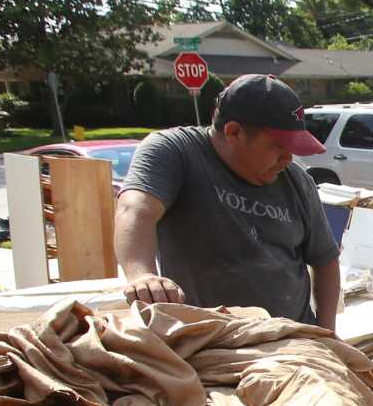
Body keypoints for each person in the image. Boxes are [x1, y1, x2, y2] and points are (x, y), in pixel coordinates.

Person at [115, 74, 340, 329]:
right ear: (234, 131)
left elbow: (325, 260)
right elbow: (136, 209)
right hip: (210, 340)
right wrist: (141, 274)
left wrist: (326, 332)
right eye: (278, 146)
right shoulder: (176, 151)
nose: (288, 158)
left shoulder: (297, 181)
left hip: (291, 337)